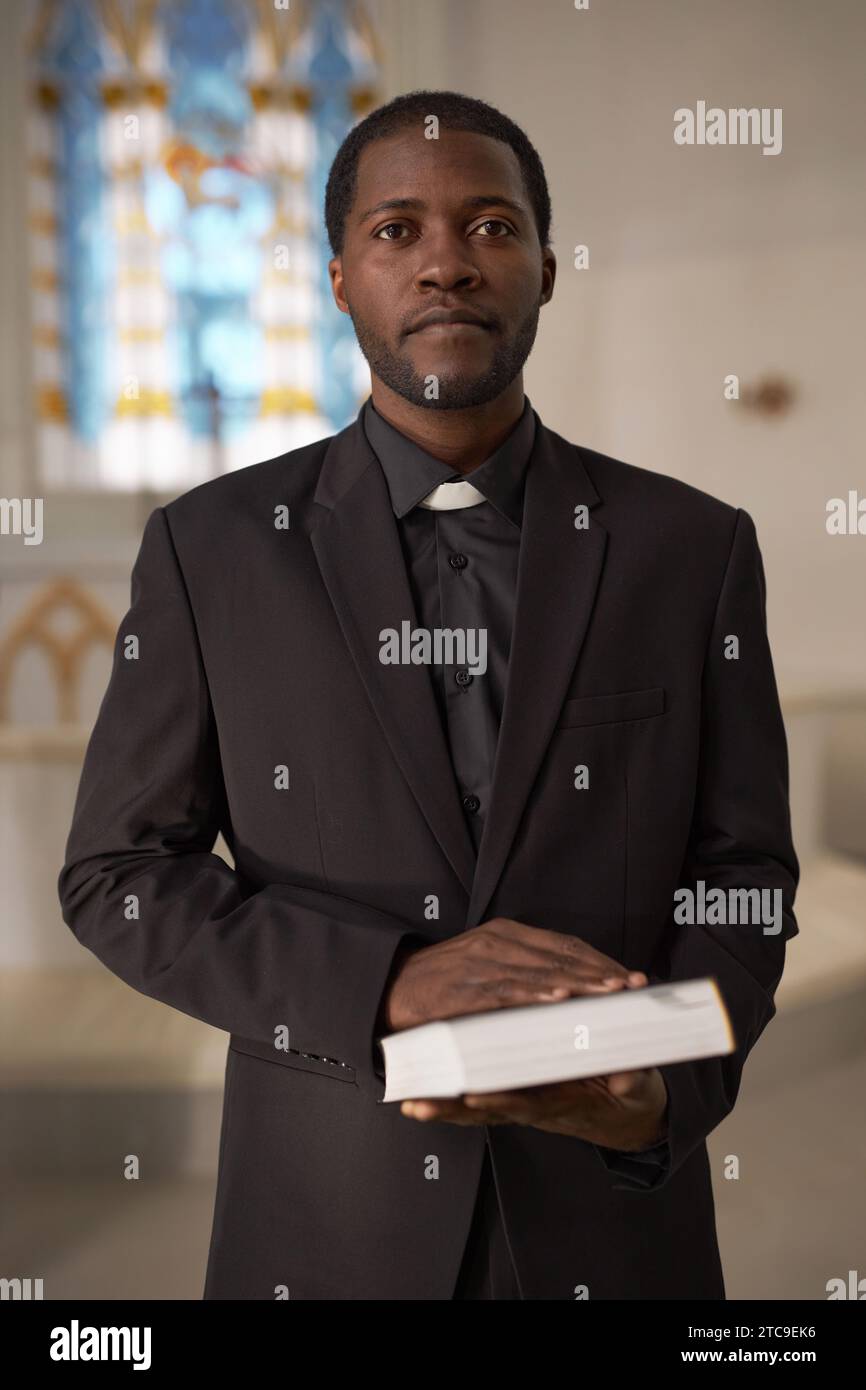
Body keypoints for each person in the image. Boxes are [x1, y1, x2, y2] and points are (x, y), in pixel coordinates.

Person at [58, 90, 799, 1300]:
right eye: (396, 230)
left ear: (548, 270)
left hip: (610, 1232)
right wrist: (386, 979)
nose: (446, 262)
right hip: (320, 1218)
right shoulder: (214, 549)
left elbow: (744, 872)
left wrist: (663, 1088)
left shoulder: (690, 548)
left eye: (491, 227)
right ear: (339, 277)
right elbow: (118, 876)